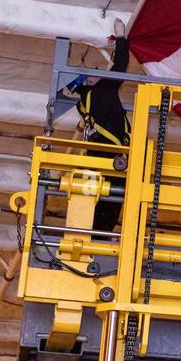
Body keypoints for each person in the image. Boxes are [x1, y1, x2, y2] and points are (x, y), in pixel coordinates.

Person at [61, 18, 131, 233]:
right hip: (96, 151)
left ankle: (101, 234)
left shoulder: (107, 87)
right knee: (91, 195)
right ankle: (88, 233)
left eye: (95, 73)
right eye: (88, 75)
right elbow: (67, 89)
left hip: (113, 151)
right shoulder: (84, 98)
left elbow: (120, 64)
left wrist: (121, 37)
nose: (91, 76)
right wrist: (77, 84)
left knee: (112, 196)